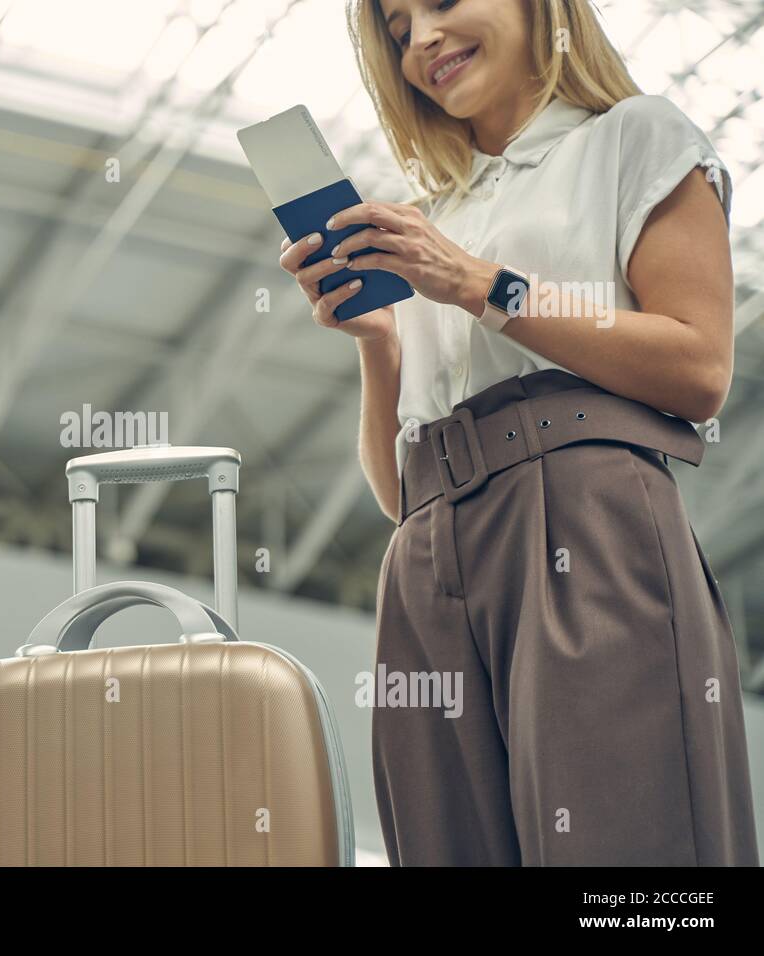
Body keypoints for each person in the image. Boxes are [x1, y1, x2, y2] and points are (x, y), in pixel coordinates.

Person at [279, 0, 758, 865]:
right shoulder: (435, 217)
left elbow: (699, 367)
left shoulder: (634, 137)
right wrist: (380, 347)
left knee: (626, 862)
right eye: (397, 29)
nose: (421, 39)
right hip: (426, 564)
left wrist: (478, 284)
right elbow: (399, 495)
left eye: (442, 5)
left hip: (583, 524)